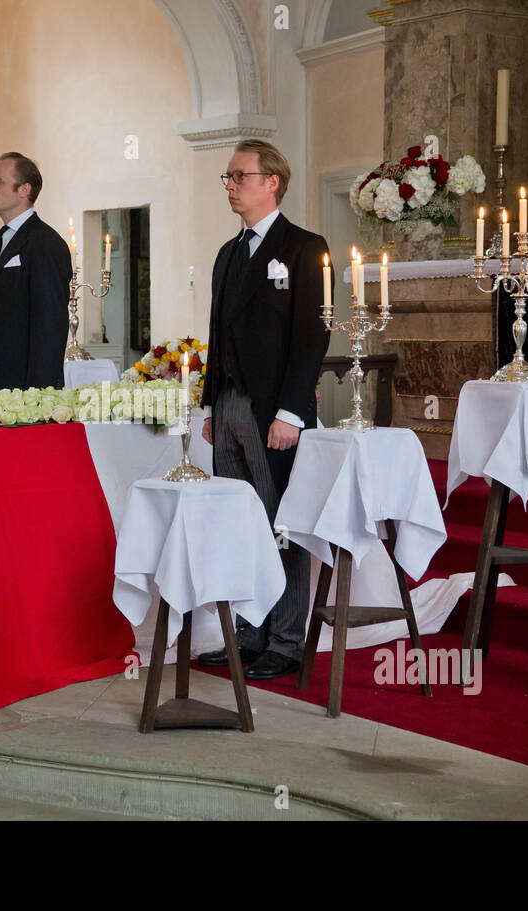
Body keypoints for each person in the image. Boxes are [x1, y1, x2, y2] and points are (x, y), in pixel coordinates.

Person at [196, 139, 331, 681]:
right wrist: (210, 403)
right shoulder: (228, 254)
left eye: (238, 176)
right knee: (239, 521)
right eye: (226, 178)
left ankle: (286, 638)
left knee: (281, 524)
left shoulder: (304, 247)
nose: (229, 185)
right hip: (229, 403)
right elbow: (215, 332)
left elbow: (311, 337)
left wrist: (292, 413)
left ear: (272, 180)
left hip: (275, 409)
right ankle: (247, 632)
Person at [0, 152, 71, 396]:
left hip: (25, 385)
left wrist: (39, 393)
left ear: (24, 189)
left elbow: (50, 324)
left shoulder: (46, 243)